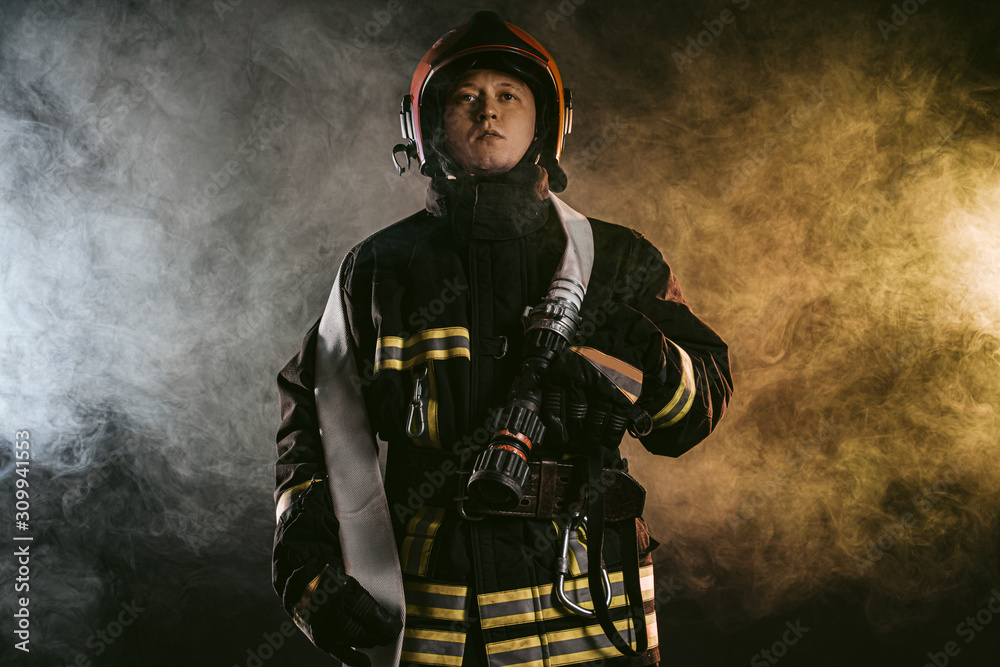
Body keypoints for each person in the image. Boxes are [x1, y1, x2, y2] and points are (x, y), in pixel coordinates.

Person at [271, 11, 732, 667]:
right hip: (438, 613)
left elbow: (699, 404)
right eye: (466, 98)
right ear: (426, 128)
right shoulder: (379, 270)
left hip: (587, 614)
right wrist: (306, 558)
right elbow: (314, 416)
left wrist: (646, 361)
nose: (489, 113)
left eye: (508, 96)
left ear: (545, 121)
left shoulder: (616, 260)